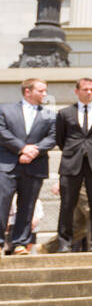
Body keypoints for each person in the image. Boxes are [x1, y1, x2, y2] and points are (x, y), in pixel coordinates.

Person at [54, 77, 92, 253]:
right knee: (67, 204)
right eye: (85, 89)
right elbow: (60, 139)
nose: (89, 92)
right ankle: (64, 242)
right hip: (71, 164)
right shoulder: (65, 113)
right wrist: (74, 152)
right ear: (77, 91)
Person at [0, 78, 56, 256]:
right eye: (41, 90)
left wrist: (34, 151)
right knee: (2, 204)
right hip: (7, 165)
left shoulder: (49, 114)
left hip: (34, 166)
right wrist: (22, 148)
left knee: (28, 206)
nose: (45, 94)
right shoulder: (5, 110)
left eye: (45, 90)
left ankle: (20, 244)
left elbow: (53, 137)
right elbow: (2, 132)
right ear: (27, 92)